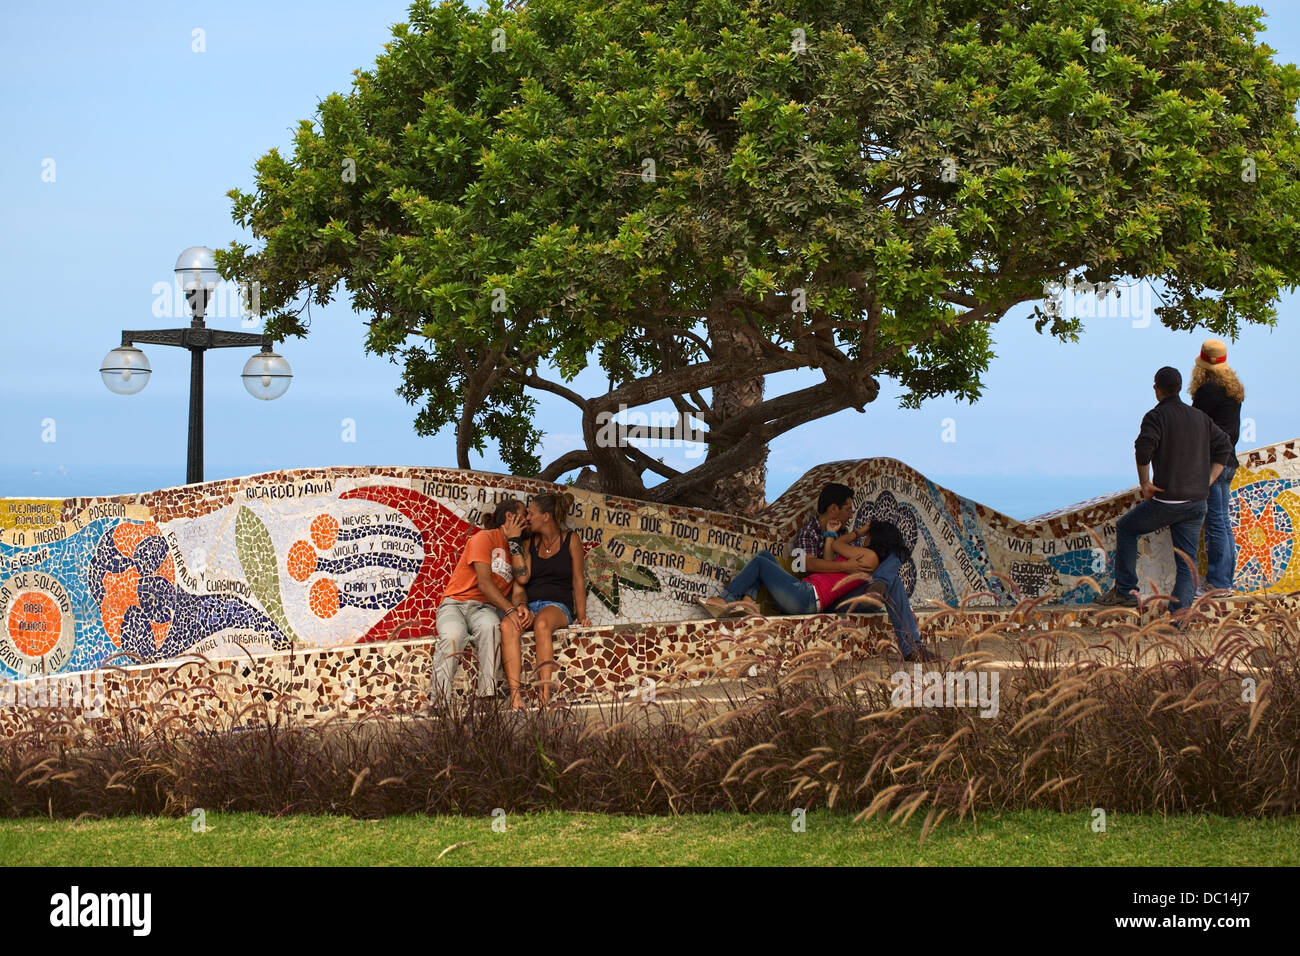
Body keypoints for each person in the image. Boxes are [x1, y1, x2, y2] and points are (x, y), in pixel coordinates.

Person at [700, 482, 939, 662]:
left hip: (834, 596)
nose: (850, 515)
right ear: (833, 508)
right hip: (813, 594)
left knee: (892, 572)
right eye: (847, 509)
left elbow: (838, 562)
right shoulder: (809, 533)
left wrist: (838, 540)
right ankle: (741, 600)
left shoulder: (849, 543)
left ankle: (888, 593)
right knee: (764, 559)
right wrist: (840, 554)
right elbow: (805, 566)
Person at [1095, 366, 1235, 616]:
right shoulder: (1199, 417)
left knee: (1127, 527)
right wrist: (1209, 480)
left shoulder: (1155, 416)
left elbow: (1143, 448)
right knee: (1186, 561)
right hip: (1196, 502)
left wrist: (1145, 484)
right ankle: (1178, 620)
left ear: (1156, 389)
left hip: (1168, 502)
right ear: (1179, 388)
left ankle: (1125, 590)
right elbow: (1224, 445)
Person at [430, 498, 532, 708]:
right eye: (524, 514)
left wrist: (514, 542)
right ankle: (440, 704)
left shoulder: (518, 550)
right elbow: (485, 584)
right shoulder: (483, 538)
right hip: (455, 605)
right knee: (452, 636)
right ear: (510, 517)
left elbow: (521, 581)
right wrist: (510, 610)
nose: (528, 518)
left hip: (485, 609)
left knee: (491, 628)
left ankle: (487, 696)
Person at [500, 492, 590, 709]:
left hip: (557, 607)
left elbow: (578, 580)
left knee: (542, 624)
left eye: (531, 513)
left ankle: (544, 695)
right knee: (507, 625)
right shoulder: (529, 544)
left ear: (546, 516)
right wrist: (520, 607)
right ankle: (515, 698)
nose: (528, 518)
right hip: (532, 605)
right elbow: (521, 579)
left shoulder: (571, 540)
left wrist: (582, 615)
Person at [1190, 338, 1245, 594]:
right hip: (1229, 460)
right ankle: (1224, 580)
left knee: (1215, 522)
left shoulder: (1207, 391)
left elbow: (1194, 425)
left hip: (1213, 463)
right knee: (1223, 521)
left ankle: (1218, 582)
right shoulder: (1232, 390)